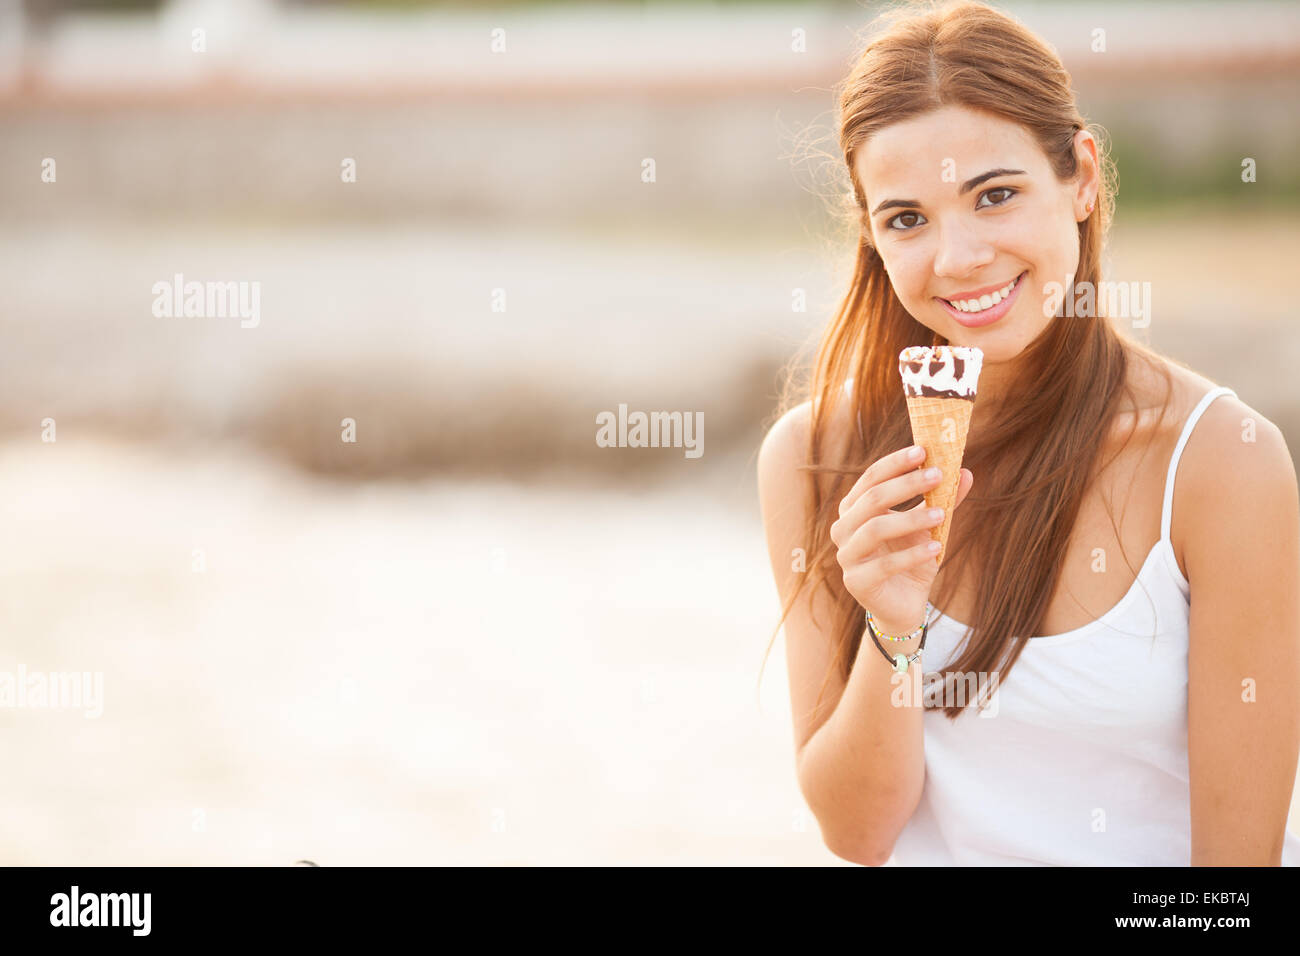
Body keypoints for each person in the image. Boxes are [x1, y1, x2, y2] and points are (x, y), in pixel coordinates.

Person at [757, 0, 1300, 866]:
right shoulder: (812, 459)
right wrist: (894, 626)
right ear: (870, 233)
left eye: (995, 195)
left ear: (1082, 177)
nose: (959, 256)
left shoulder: (1220, 463)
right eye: (908, 219)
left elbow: (1231, 888)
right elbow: (859, 835)